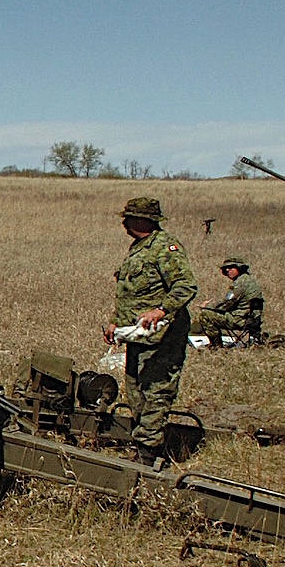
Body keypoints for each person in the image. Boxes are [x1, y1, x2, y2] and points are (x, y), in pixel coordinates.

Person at [104, 197, 197, 466]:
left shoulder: (165, 249)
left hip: (162, 337)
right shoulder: (138, 249)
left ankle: (148, 453)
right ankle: (143, 439)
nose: (124, 223)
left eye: (129, 217)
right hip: (138, 336)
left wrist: (161, 310)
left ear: (143, 220)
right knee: (136, 392)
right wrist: (115, 322)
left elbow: (185, 286)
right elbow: (129, 293)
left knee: (156, 391)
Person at [190, 255, 264, 342]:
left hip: (240, 320)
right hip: (252, 319)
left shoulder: (239, 283)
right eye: (226, 268)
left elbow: (226, 305)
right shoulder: (251, 281)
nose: (227, 270)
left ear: (240, 268)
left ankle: (216, 345)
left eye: (231, 267)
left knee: (205, 315)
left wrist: (206, 306)